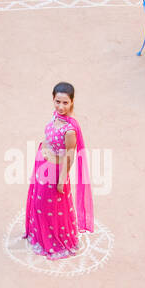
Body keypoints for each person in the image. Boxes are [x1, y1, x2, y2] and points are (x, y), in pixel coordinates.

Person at [24, 82, 94, 259]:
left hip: (55, 173)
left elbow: (70, 156)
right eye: (57, 101)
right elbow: (48, 137)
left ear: (72, 102)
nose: (60, 106)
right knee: (39, 204)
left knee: (51, 208)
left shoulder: (70, 130)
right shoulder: (55, 116)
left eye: (65, 103)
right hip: (42, 166)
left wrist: (62, 179)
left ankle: (54, 240)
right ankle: (40, 236)